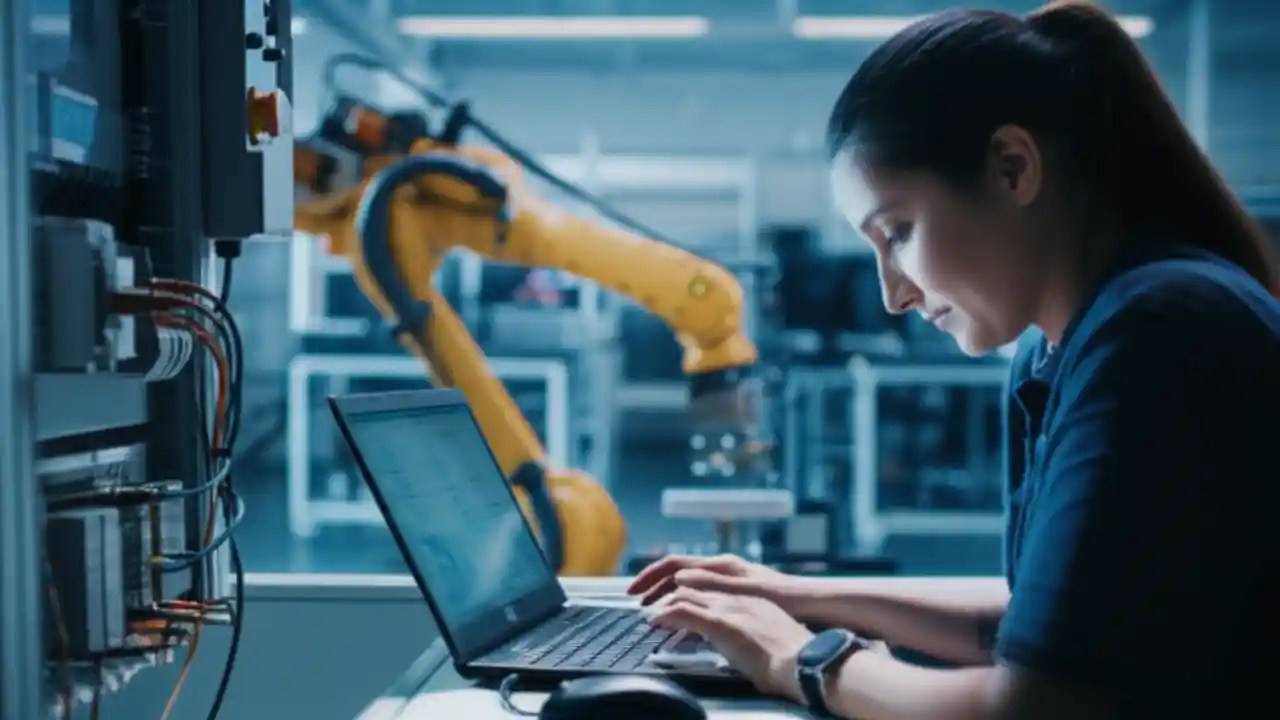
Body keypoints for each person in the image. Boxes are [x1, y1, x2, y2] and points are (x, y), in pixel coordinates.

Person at [628, 1, 1280, 718]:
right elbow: (1043, 623)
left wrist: (800, 659)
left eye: (898, 231)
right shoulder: (1064, 347)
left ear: (1011, 169)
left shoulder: (1158, 331)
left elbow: (1034, 702)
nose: (891, 295)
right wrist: (790, 593)